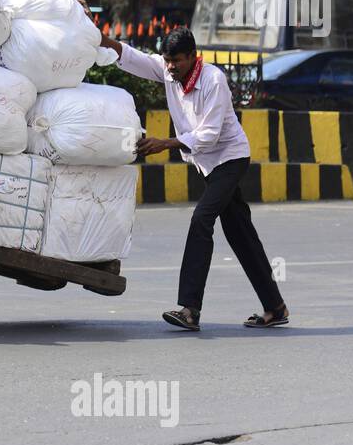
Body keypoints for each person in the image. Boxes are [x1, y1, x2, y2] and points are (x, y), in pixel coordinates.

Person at [99, 25, 289, 331]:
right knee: (242, 236)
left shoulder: (213, 80)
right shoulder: (168, 71)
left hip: (229, 159)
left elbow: (210, 136)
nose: (171, 66)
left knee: (201, 219)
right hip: (207, 165)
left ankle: (190, 309)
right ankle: (275, 307)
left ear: (192, 57)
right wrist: (103, 40)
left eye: (177, 60)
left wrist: (166, 143)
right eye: (167, 60)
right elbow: (134, 58)